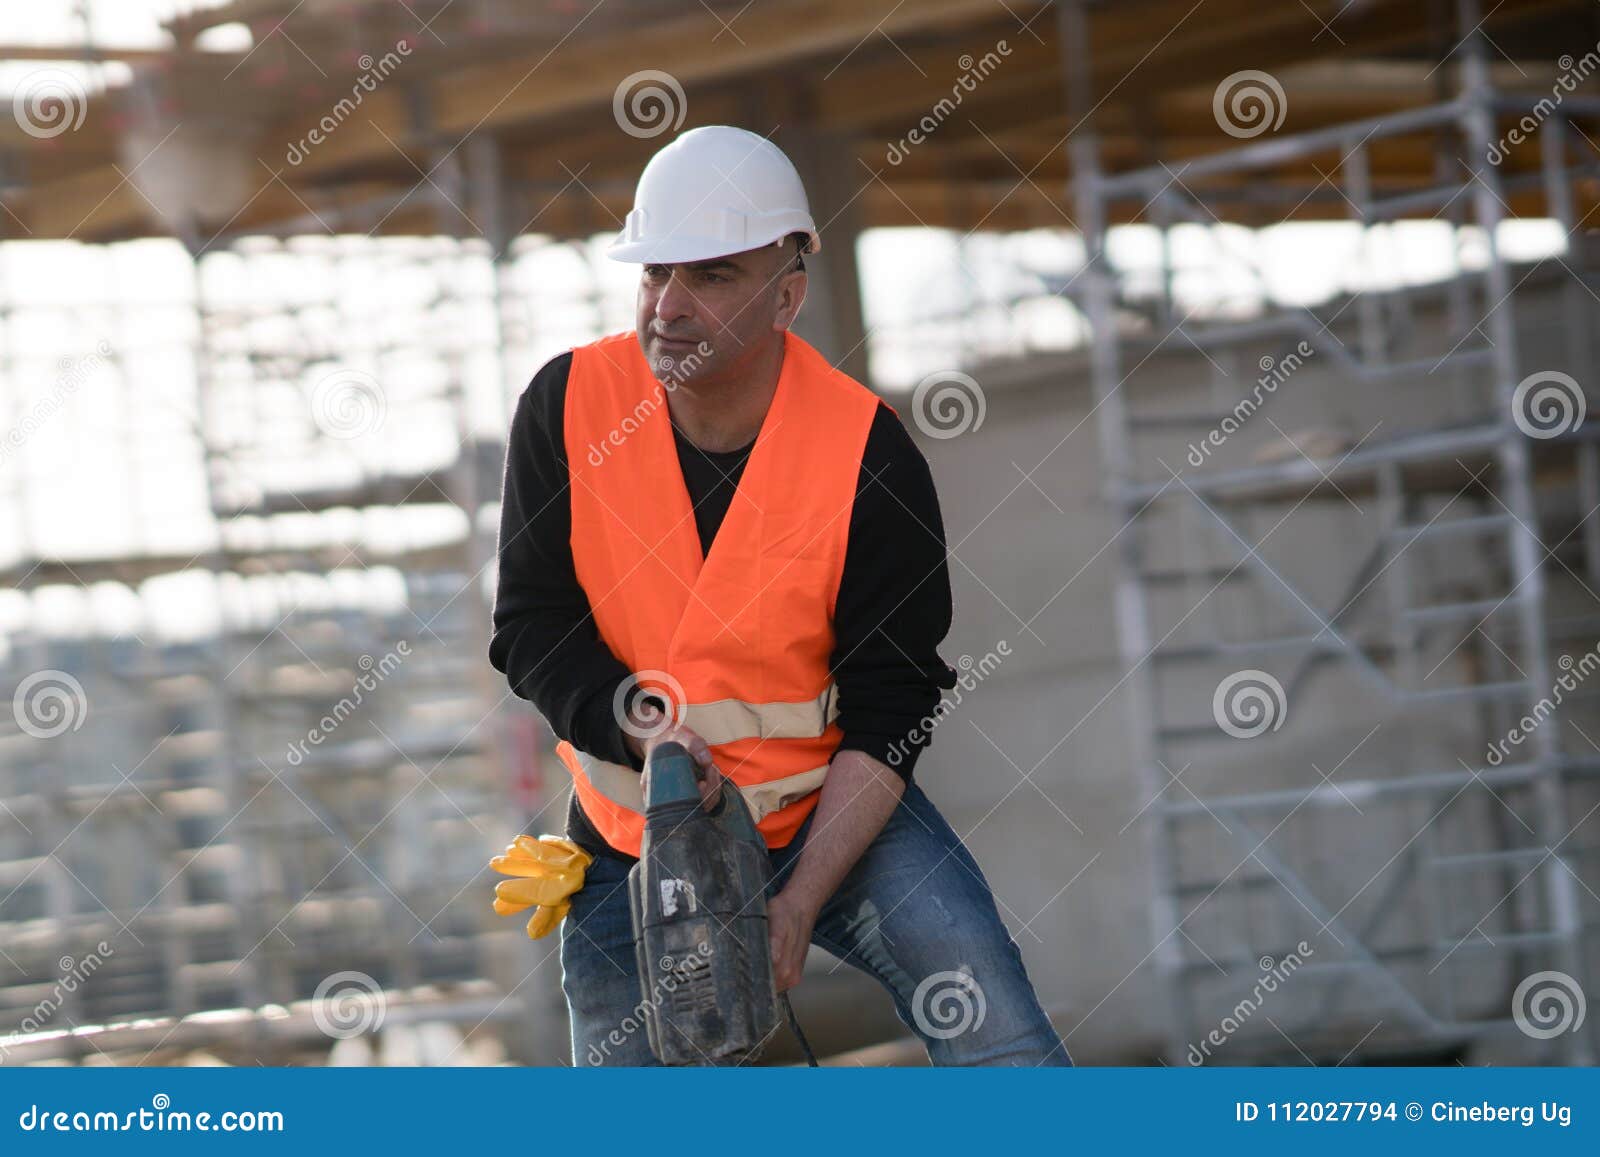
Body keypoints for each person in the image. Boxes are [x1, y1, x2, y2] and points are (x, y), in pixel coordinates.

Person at [488, 124, 1069, 1067]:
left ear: (786, 296)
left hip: (824, 817)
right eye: (654, 274)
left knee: (996, 1030)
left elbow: (895, 704)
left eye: (711, 277)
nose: (669, 305)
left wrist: (797, 901)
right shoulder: (565, 407)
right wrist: (641, 726)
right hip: (633, 832)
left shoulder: (867, 455)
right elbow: (530, 626)